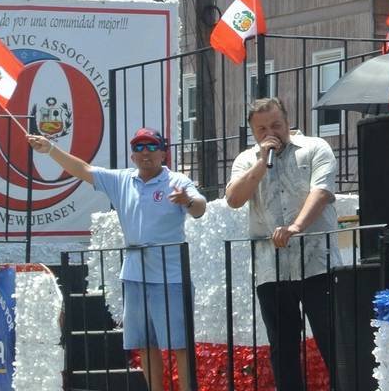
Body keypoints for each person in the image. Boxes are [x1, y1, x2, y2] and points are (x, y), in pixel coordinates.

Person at [27, 127, 205, 391]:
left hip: (172, 276)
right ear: (132, 156)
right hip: (135, 273)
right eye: (139, 147)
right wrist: (51, 149)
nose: (145, 152)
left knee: (180, 345)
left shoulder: (177, 180)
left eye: (152, 146)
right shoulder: (122, 179)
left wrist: (187, 200)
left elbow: (200, 207)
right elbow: (84, 170)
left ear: (163, 153)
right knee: (145, 344)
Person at [224, 97, 341, 391]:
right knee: (283, 347)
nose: (270, 133)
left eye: (276, 125)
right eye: (262, 129)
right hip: (271, 268)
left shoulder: (316, 148)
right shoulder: (246, 160)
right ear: (253, 132)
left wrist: (296, 227)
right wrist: (261, 164)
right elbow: (234, 199)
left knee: (333, 341)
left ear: (287, 121)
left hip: (317, 263)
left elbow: (321, 192)